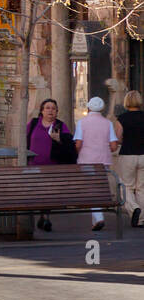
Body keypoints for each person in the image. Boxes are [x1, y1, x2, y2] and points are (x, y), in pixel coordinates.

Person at [28, 98, 75, 231]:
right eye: (47, 108)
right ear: (42, 111)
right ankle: (43, 216)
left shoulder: (60, 126)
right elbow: (25, 140)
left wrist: (58, 139)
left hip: (53, 166)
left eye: (53, 108)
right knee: (38, 193)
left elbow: (69, 147)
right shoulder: (33, 123)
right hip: (34, 165)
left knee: (47, 192)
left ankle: (46, 217)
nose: (50, 110)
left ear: (57, 112)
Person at [75, 96, 118, 231]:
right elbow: (113, 145)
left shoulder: (82, 123)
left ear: (88, 107)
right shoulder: (108, 123)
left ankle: (98, 217)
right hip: (103, 161)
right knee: (98, 188)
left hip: (87, 160)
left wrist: (79, 152)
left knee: (91, 189)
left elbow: (78, 143)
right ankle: (96, 219)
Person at [113, 90, 144, 227]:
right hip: (143, 155)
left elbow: (118, 139)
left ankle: (133, 208)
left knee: (126, 186)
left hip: (127, 154)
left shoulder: (122, 119)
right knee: (141, 188)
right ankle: (141, 219)